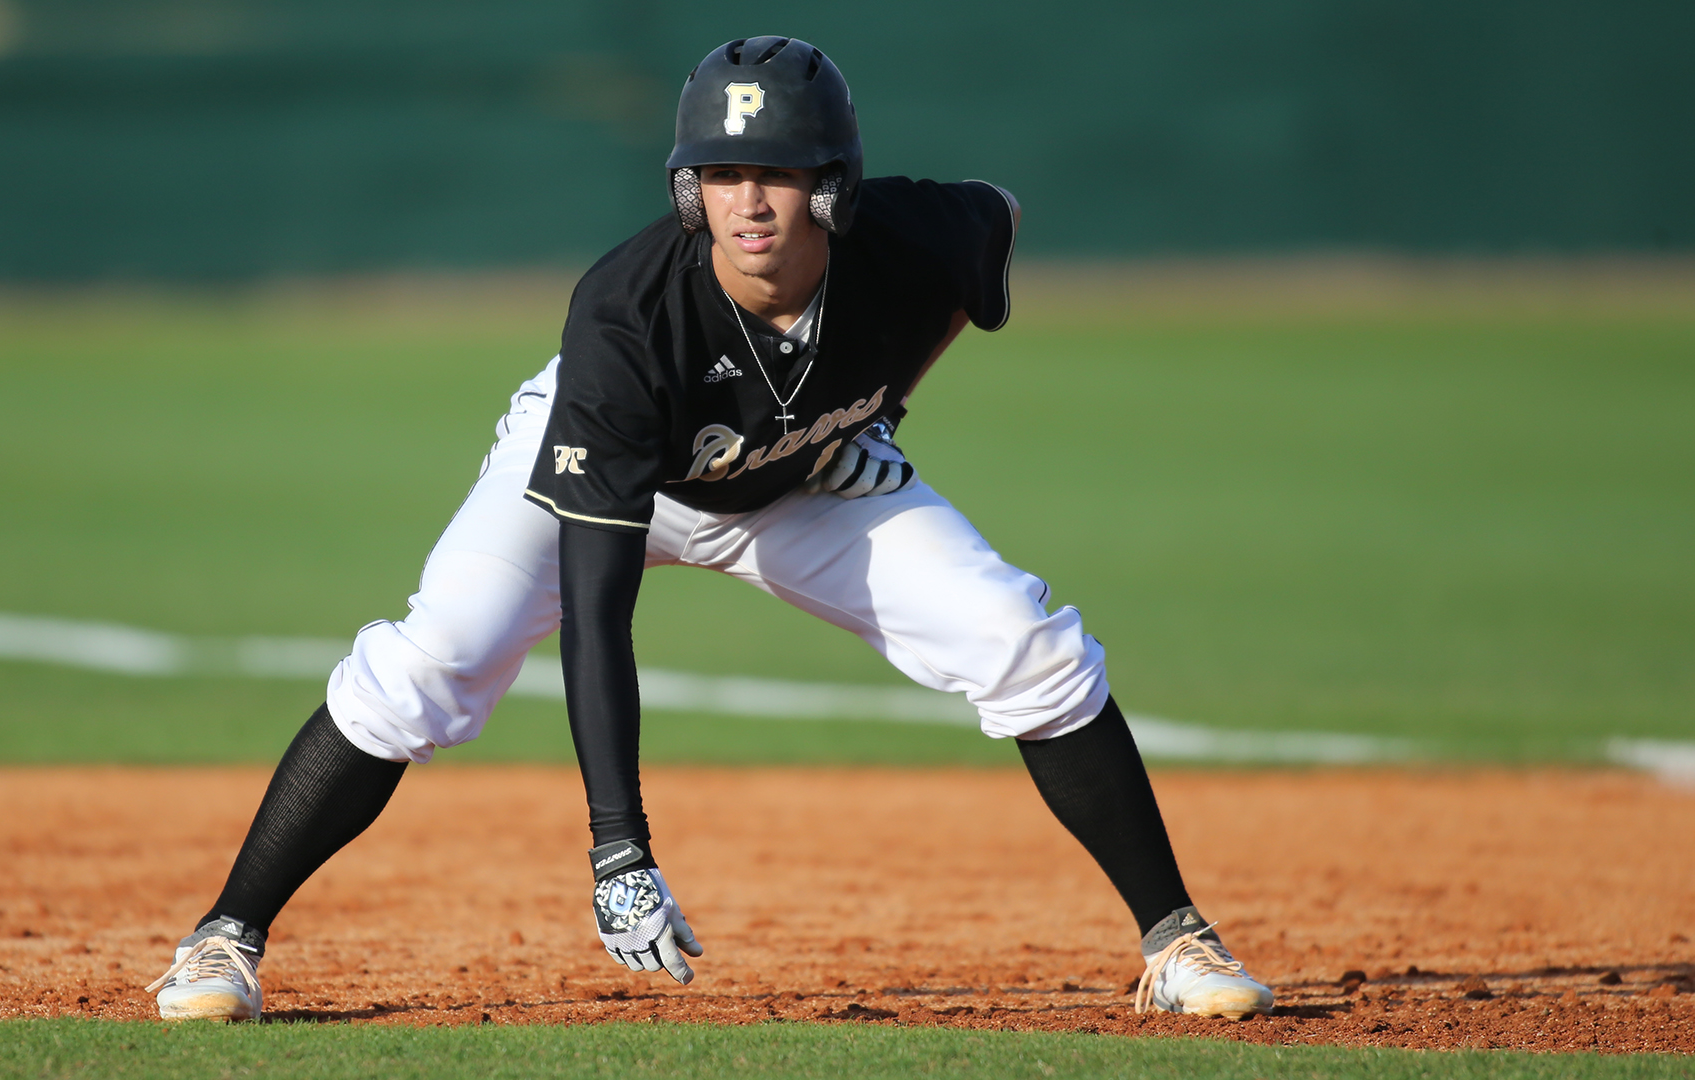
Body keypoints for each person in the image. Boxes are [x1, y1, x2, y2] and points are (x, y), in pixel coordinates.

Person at [147, 36, 1274, 1023]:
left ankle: (1176, 941)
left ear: (833, 186)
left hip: (792, 481)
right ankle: (225, 938)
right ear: (687, 189)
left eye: (776, 174)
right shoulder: (627, 316)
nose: (747, 202)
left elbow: (997, 223)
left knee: (1026, 643)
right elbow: (597, 608)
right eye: (719, 173)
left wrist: (878, 408)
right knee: (433, 659)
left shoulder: (921, 235)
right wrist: (618, 847)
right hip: (613, 464)